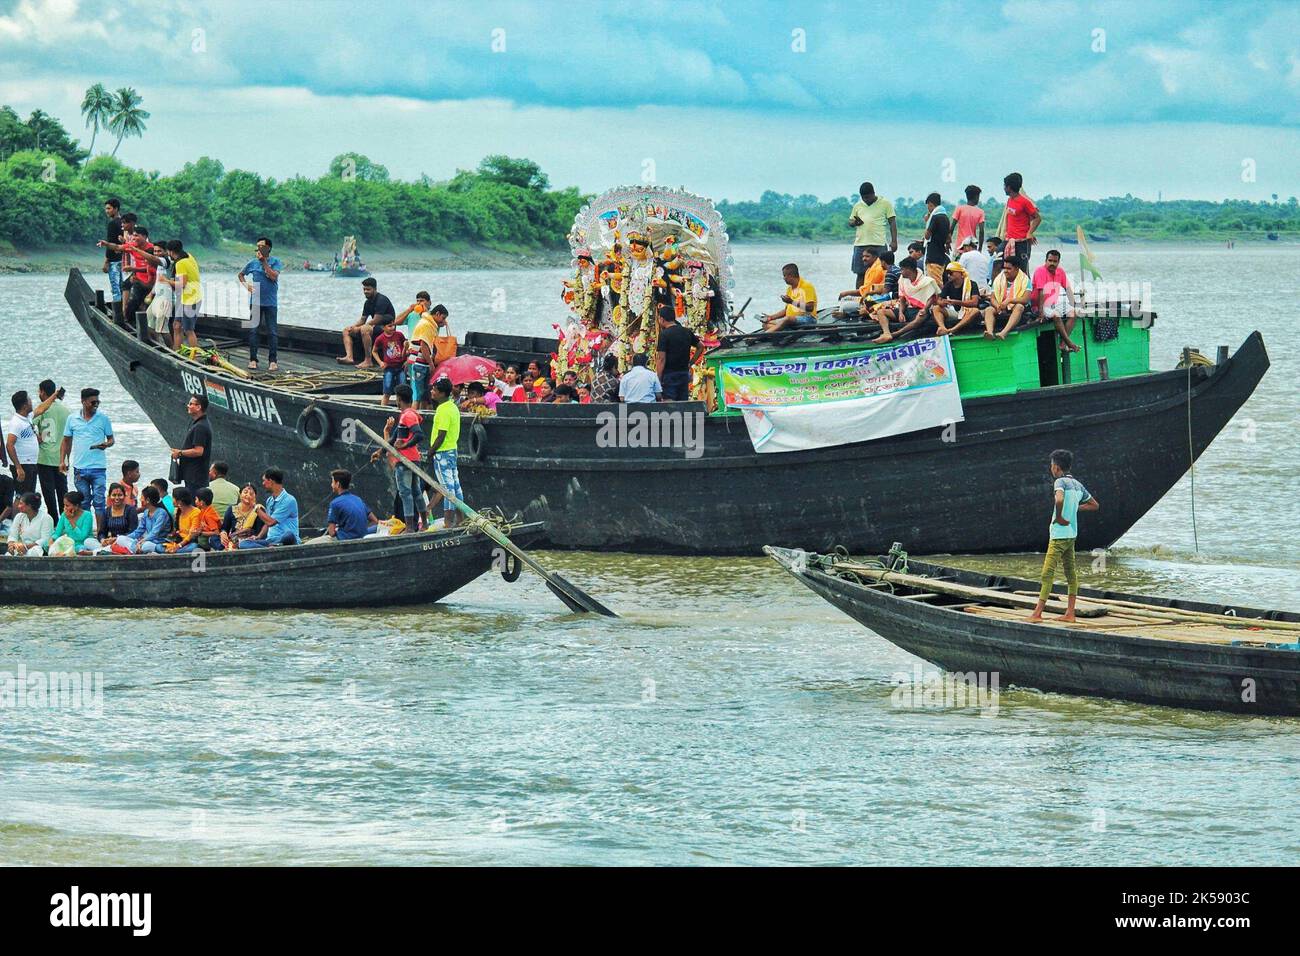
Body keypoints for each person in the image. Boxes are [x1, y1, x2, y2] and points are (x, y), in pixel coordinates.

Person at [1028, 449, 1100, 623]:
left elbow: (1059, 500)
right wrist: (1075, 508)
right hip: (1071, 535)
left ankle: (1037, 614)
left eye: (1051, 465)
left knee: (1047, 573)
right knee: (1070, 573)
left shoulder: (1059, 482)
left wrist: (1060, 517)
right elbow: (1094, 505)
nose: (1051, 468)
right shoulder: (1077, 484)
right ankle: (1070, 613)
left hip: (1059, 535)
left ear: (1056, 467)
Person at [60, 387, 114, 535]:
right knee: (83, 502)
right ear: (83, 402)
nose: (96, 405)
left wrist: (107, 444)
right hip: (80, 468)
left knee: (99, 502)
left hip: (98, 468)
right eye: (93, 402)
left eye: (98, 402)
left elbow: (111, 439)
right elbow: (66, 441)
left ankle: (101, 534)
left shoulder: (103, 419)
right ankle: (86, 533)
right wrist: (63, 461)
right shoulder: (72, 419)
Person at [380, 384, 427, 531]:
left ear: (399, 399)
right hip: (413, 459)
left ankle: (410, 528)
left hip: (406, 460)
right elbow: (394, 438)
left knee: (406, 493)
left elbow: (419, 435)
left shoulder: (408, 415)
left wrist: (404, 446)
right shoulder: (406, 415)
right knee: (415, 491)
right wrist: (381, 451)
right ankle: (423, 524)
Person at [238, 236, 282, 372]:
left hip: (270, 302)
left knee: (272, 332)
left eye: (261, 246)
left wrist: (264, 263)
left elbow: (274, 276)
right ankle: (253, 359)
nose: (259, 249)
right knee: (253, 330)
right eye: (257, 246)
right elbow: (240, 275)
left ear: (268, 248)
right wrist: (247, 286)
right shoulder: (252, 263)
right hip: (255, 302)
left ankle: (273, 361)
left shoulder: (275, 262)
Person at [428, 378, 463, 529]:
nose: (432, 392)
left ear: (442, 393)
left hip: (442, 453)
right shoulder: (453, 407)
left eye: (434, 390)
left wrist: (431, 451)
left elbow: (441, 434)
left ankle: (448, 523)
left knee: (446, 489)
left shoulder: (442, 409)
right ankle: (460, 519)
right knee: (455, 486)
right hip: (452, 451)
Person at [847, 181, 898, 286]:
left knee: (882, 272)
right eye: (863, 198)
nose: (866, 200)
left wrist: (894, 241)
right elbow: (850, 222)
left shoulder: (885, 203)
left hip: (878, 244)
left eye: (868, 197)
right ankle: (860, 298)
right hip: (861, 244)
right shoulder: (857, 206)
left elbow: (892, 222)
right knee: (860, 273)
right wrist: (855, 222)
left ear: (873, 193)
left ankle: (882, 296)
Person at [880, 258, 942, 342]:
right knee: (881, 312)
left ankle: (895, 334)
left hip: (922, 310)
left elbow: (931, 298)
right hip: (909, 308)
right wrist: (901, 313)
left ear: (908, 269)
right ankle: (886, 333)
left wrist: (925, 309)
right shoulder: (902, 280)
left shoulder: (927, 281)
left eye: (902, 269)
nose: (900, 271)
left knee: (919, 319)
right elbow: (902, 298)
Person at [32, 379, 69, 517]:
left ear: (43, 392)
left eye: (39, 391)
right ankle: (65, 520)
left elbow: (29, 424)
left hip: (44, 457)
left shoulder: (41, 409)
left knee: (48, 493)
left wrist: (37, 436)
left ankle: (53, 520)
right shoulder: (66, 411)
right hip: (61, 458)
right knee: (62, 492)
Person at [339, 278, 396, 368]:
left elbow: (377, 319)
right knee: (346, 330)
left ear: (375, 289)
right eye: (364, 289)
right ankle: (349, 357)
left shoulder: (381, 300)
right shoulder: (367, 303)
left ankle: (368, 360)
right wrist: (353, 327)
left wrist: (359, 328)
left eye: (368, 289)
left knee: (364, 329)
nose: (366, 291)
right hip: (375, 327)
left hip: (386, 328)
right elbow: (363, 319)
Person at [1032, 249, 1081, 352]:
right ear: (1046, 260)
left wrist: (1074, 305)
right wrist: (1040, 314)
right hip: (1039, 305)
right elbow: (1041, 293)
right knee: (1056, 314)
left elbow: (1067, 289)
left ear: (1058, 262)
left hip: (1053, 304)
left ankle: (1063, 344)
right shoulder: (1040, 271)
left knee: (1073, 313)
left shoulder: (1060, 272)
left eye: (1055, 261)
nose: (1052, 263)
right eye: (1050, 261)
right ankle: (1070, 343)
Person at [239, 468, 299, 548]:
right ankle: (270, 548)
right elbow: (267, 523)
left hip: (286, 540)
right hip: (270, 541)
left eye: (264, 480)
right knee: (243, 543)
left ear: (271, 481)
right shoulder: (270, 500)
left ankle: (273, 547)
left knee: (288, 535)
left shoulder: (289, 500)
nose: (263, 483)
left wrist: (254, 506)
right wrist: (258, 537)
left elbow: (271, 522)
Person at [110, 484, 172, 554]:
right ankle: (136, 549)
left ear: (147, 500)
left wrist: (142, 541)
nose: (140, 499)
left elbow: (154, 533)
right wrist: (122, 537)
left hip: (158, 542)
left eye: (142, 497)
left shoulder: (161, 513)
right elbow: (138, 531)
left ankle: (134, 550)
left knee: (146, 546)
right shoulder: (146, 512)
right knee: (120, 539)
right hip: (145, 541)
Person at [655, 306, 700, 401]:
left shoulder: (664, 335)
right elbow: (701, 346)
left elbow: (661, 359)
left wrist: (658, 379)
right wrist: (691, 362)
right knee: (683, 403)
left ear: (662, 319)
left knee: (669, 403)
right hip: (683, 373)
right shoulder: (686, 331)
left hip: (669, 375)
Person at [982, 258, 1033, 340]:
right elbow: (992, 298)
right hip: (1001, 307)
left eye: (1009, 268)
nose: (1005, 271)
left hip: (1018, 309)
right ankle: (990, 332)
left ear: (1016, 269)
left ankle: (1004, 332)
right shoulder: (998, 279)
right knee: (989, 309)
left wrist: (1009, 300)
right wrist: (997, 305)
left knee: (1019, 306)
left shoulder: (1025, 280)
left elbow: (1025, 299)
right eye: (1004, 268)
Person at [171, 394, 212, 492]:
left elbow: (198, 451)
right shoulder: (199, 424)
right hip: (193, 474)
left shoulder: (200, 427)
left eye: (191, 404)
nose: (188, 406)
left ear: (198, 407)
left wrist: (180, 453)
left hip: (195, 475)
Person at [166, 239, 202, 350]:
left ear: (171, 252)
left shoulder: (180, 263)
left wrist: (165, 280)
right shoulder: (188, 256)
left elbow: (182, 283)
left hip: (191, 299)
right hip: (184, 298)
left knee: (188, 330)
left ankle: (194, 358)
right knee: (176, 326)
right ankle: (177, 352)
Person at [1001, 172, 1041, 269]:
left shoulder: (1024, 202)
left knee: (1022, 270)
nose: (1003, 188)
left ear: (1009, 187)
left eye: (1004, 186)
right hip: (1009, 241)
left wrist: (1030, 233)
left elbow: (1037, 218)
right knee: (1002, 264)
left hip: (1021, 242)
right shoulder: (1010, 200)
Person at [762, 263, 817, 332]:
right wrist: (771, 317)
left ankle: (758, 336)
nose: (784, 278)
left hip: (808, 319)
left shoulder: (806, 286)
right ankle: (787, 331)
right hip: (790, 320)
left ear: (791, 276)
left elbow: (810, 308)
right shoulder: (789, 289)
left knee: (786, 319)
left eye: (785, 276)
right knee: (766, 324)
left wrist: (791, 302)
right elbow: (786, 310)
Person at [326, 469, 377, 541]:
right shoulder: (358, 499)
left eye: (332, 482)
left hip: (344, 539)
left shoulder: (334, 503)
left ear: (337, 484)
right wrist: (361, 530)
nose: (331, 485)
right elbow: (375, 521)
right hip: (362, 537)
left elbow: (331, 533)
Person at [835, 249, 887, 318]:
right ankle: (841, 314)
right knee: (844, 299)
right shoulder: (870, 269)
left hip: (872, 301)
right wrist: (846, 293)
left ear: (875, 257)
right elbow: (865, 289)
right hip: (868, 298)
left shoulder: (877, 269)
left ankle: (842, 319)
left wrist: (846, 293)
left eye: (867, 256)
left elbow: (867, 291)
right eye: (863, 256)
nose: (864, 259)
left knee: (845, 305)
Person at [6, 390, 39, 498]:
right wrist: (18, 467)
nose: (31, 401)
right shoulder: (16, 422)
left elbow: (42, 408)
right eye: (29, 400)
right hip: (23, 465)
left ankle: (25, 515)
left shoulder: (27, 418)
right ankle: (18, 516)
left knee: (29, 496)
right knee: (21, 497)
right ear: (25, 405)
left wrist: (54, 395)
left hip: (31, 464)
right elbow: (9, 445)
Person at [934, 262, 982, 335]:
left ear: (959, 273)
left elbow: (974, 303)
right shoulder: (948, 284)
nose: (948, 275)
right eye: (947, 273)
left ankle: (953, 330)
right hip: (957, 312)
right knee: (936, 308)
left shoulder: (972, 284)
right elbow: (938, 300)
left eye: (951, 273)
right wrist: (942, 303)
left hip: (968, 312)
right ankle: (943, 328)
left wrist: (957, 302)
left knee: (975, 310)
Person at [372, 320, 408, 406]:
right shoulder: (380, 338)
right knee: (387, 390)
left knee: (402, 390)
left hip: (401, 367)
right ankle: (382, 409)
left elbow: (405, 348)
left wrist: (407, 359)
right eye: (389, 326)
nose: (392, 328)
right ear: (383, 327)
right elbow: (374, 351)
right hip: (389, 368)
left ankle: (400, 408)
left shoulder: (399, 335)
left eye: (393, 326)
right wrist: (380, 362)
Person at [216, 484, 263, 550]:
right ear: (240, 494)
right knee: (213, 539)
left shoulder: (258, 510)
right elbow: (225, 528)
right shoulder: (232, 509)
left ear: (255, 497)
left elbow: (259, 533)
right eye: (245, 492)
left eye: (251, 494)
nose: (248, 495)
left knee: (244, 544)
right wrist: (223, 534)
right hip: (233, 540)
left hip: (249, 541)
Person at [48, 490, 96, 555]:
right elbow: (57, 532)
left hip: (83, 543)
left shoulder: (87, 515)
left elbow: (82, 537)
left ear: (76, 506)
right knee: (47, 544)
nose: (65, 508)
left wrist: (71, 520)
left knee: (80, 549)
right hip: (69, 543)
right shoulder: (64, 515)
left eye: (67, 506)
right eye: (64, 505)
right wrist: (52, 539)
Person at [102, 197, 124, 325]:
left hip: (115, 261)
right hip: (124, 260)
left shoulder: (113, 223)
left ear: (115, 209)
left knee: (116, 288)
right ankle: (123, 311)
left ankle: (118, 318)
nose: (107, 211)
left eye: (109, 208)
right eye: (106, 209)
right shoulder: (124, 222)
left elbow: (110, 244)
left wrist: (106, 261)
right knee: (122, 288)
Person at [921, 192, 951, 283]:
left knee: (935, 282)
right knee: (938, 279)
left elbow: (927, 236)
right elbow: (948, 237)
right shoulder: (946, 217)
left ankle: (941, 297)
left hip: (933, 255)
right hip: (941, 254)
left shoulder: (935, 217)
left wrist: (927, 221)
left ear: (930, 204)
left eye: (928, 207)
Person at [951, 184, 986, 250]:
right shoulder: (980, 212)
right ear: (976, 197)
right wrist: (980, 248)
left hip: (960, 247)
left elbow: (952, 227)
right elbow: (981, 231)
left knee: (956, 260)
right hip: (972, 247)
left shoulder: (959, 209)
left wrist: (948, 242)